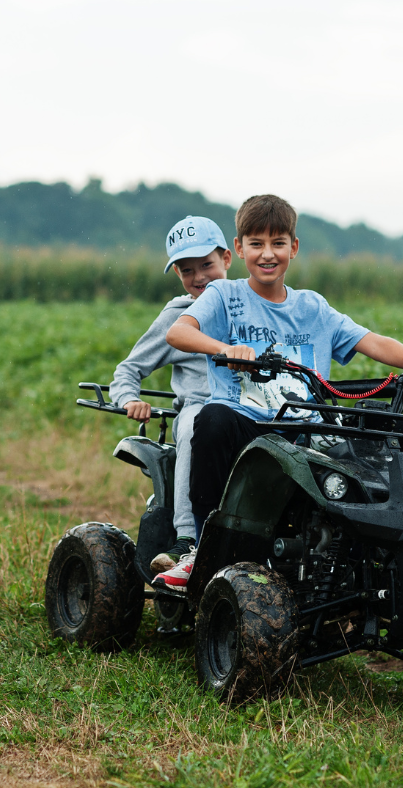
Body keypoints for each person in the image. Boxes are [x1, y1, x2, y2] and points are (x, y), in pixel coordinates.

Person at [156, 194, 403, 592]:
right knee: (210, 420)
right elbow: (179, 332)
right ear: (239, 250)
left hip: (306, 429)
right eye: (256, 244)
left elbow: (372, 341)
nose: (267, 254)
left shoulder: (313, 308)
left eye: (278, 243)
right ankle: (202, 549)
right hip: (247, 425)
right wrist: (225, 349)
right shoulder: (224, 296)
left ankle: (386, 555)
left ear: (293, 247)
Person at [109, 215, 231, 576]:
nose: (199, 277)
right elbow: (128, 369)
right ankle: (187, 539)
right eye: (186, 269)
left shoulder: (249, 305)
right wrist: (129, 398)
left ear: (226, 258)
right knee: (195, 423)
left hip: (251, 408)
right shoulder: (178, 315)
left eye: (206, 264)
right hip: (201, 406)